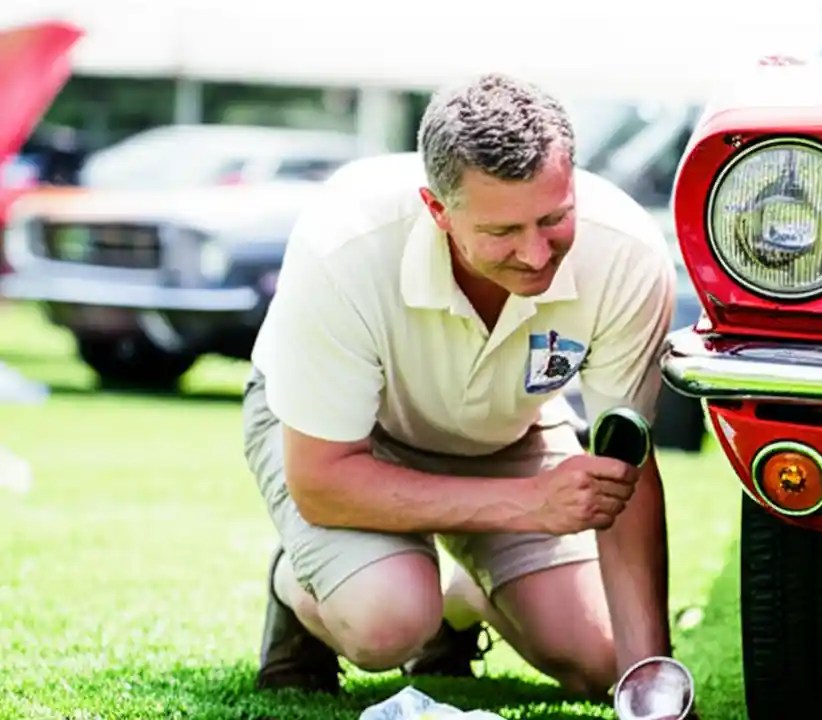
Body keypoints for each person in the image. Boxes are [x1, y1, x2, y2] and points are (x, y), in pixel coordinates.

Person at [241, 72, 678, 701]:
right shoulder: (344, 242)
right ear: (437, 210)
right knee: (387, 620)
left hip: (509, 430)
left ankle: (466, 601)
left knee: (603, 659)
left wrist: (648, 686)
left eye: (554, 218)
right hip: (353, 438)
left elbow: (623, 475)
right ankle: (301, 581)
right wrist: (529, 505)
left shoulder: (628, 254)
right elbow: (323, 482)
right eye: (503, 233)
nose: (535, 255)